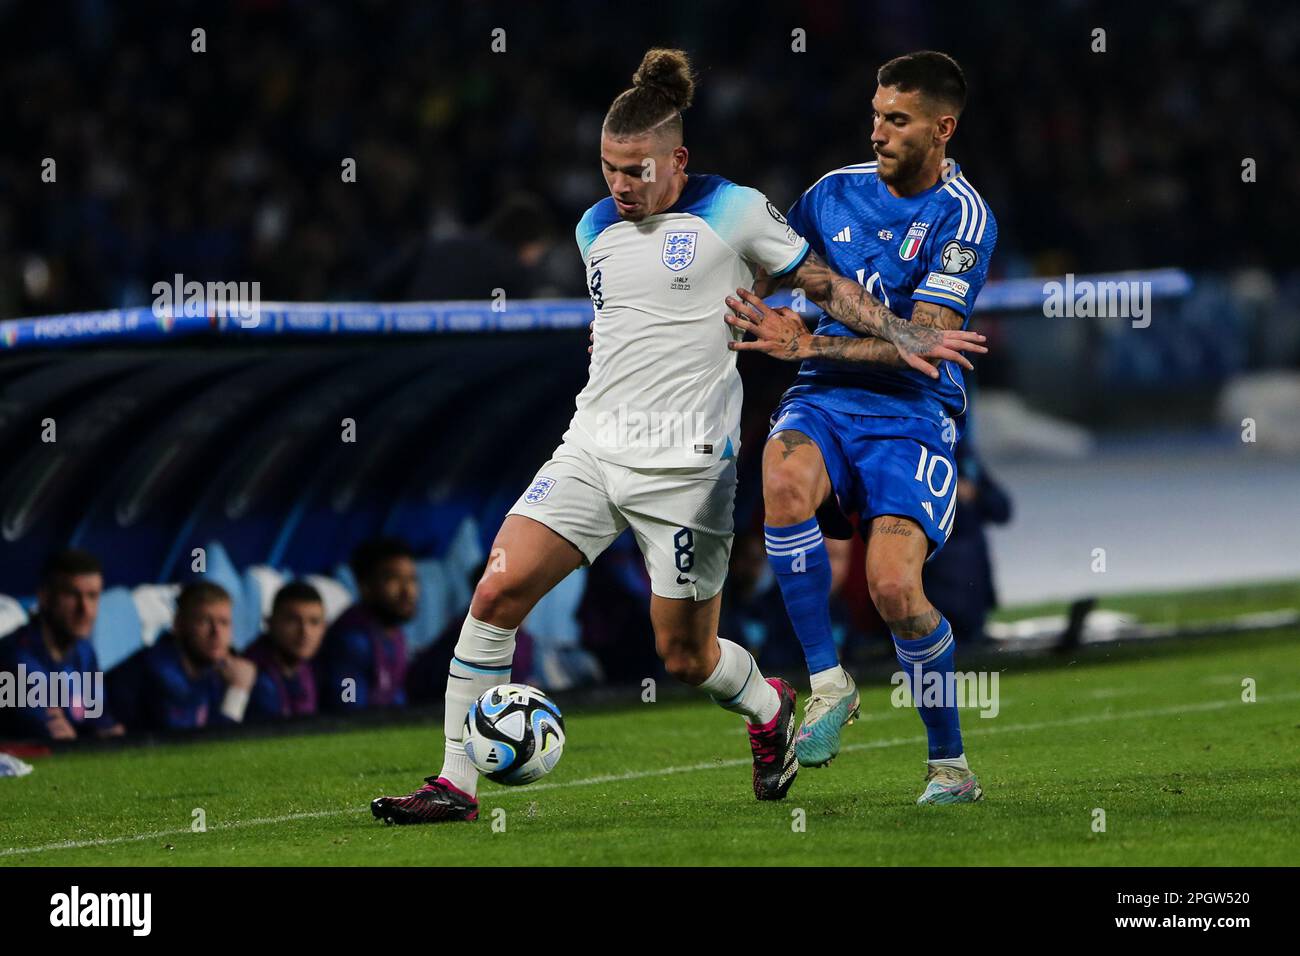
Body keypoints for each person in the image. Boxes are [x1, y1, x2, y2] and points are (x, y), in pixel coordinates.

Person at [371, 48, 986, 824]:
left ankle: (768, 709)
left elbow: (822, 284)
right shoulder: (592, 226)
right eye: (607, 169)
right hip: (592, 449)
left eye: (636, 170)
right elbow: (631, 317)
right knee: (495, 591)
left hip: (689, 473)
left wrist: (901, 334)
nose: (619, 187)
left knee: (686, 656)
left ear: (677, 158)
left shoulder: (738, 211)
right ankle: (455, 782)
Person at [724, 51, 997, 804]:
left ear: (943, 128)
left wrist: (806, 340)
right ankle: (828, 682)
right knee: (781, 481)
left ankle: (950, 766)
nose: (877, 131)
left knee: (892, 589)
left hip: (912, 416)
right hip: (824, 397)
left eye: (897, 120)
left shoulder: (963, 217)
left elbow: (922, 346)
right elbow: (758, 279)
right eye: (875, 115)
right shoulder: (829, 194)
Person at [0, 549, 123, 740]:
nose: (85, 609)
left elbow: (99, 720)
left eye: (93, 596)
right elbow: (49, 734)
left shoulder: (85, 652)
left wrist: (109, 733)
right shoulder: (16, 659)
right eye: (73, 595)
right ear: (45, 598)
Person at [108, 581, 258, 731]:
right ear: (178, 625)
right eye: (204, 621)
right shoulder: (159, 670)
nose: (216, 633)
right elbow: (194, 747)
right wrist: (237, 693)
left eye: (224, 623)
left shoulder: (215, 669)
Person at [316, 538, 416, 713]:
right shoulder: (352, 641)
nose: (407, 590)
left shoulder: (395, 633)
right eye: (393, 579)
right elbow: (348, 707)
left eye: (411, 579)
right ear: (365, 586)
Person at [246, 581, 326, 720]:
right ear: (269, 623)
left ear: (324, 627)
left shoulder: (313, 666)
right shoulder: (254, 674)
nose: (305, 632)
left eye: (314, 622)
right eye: (293, 621)